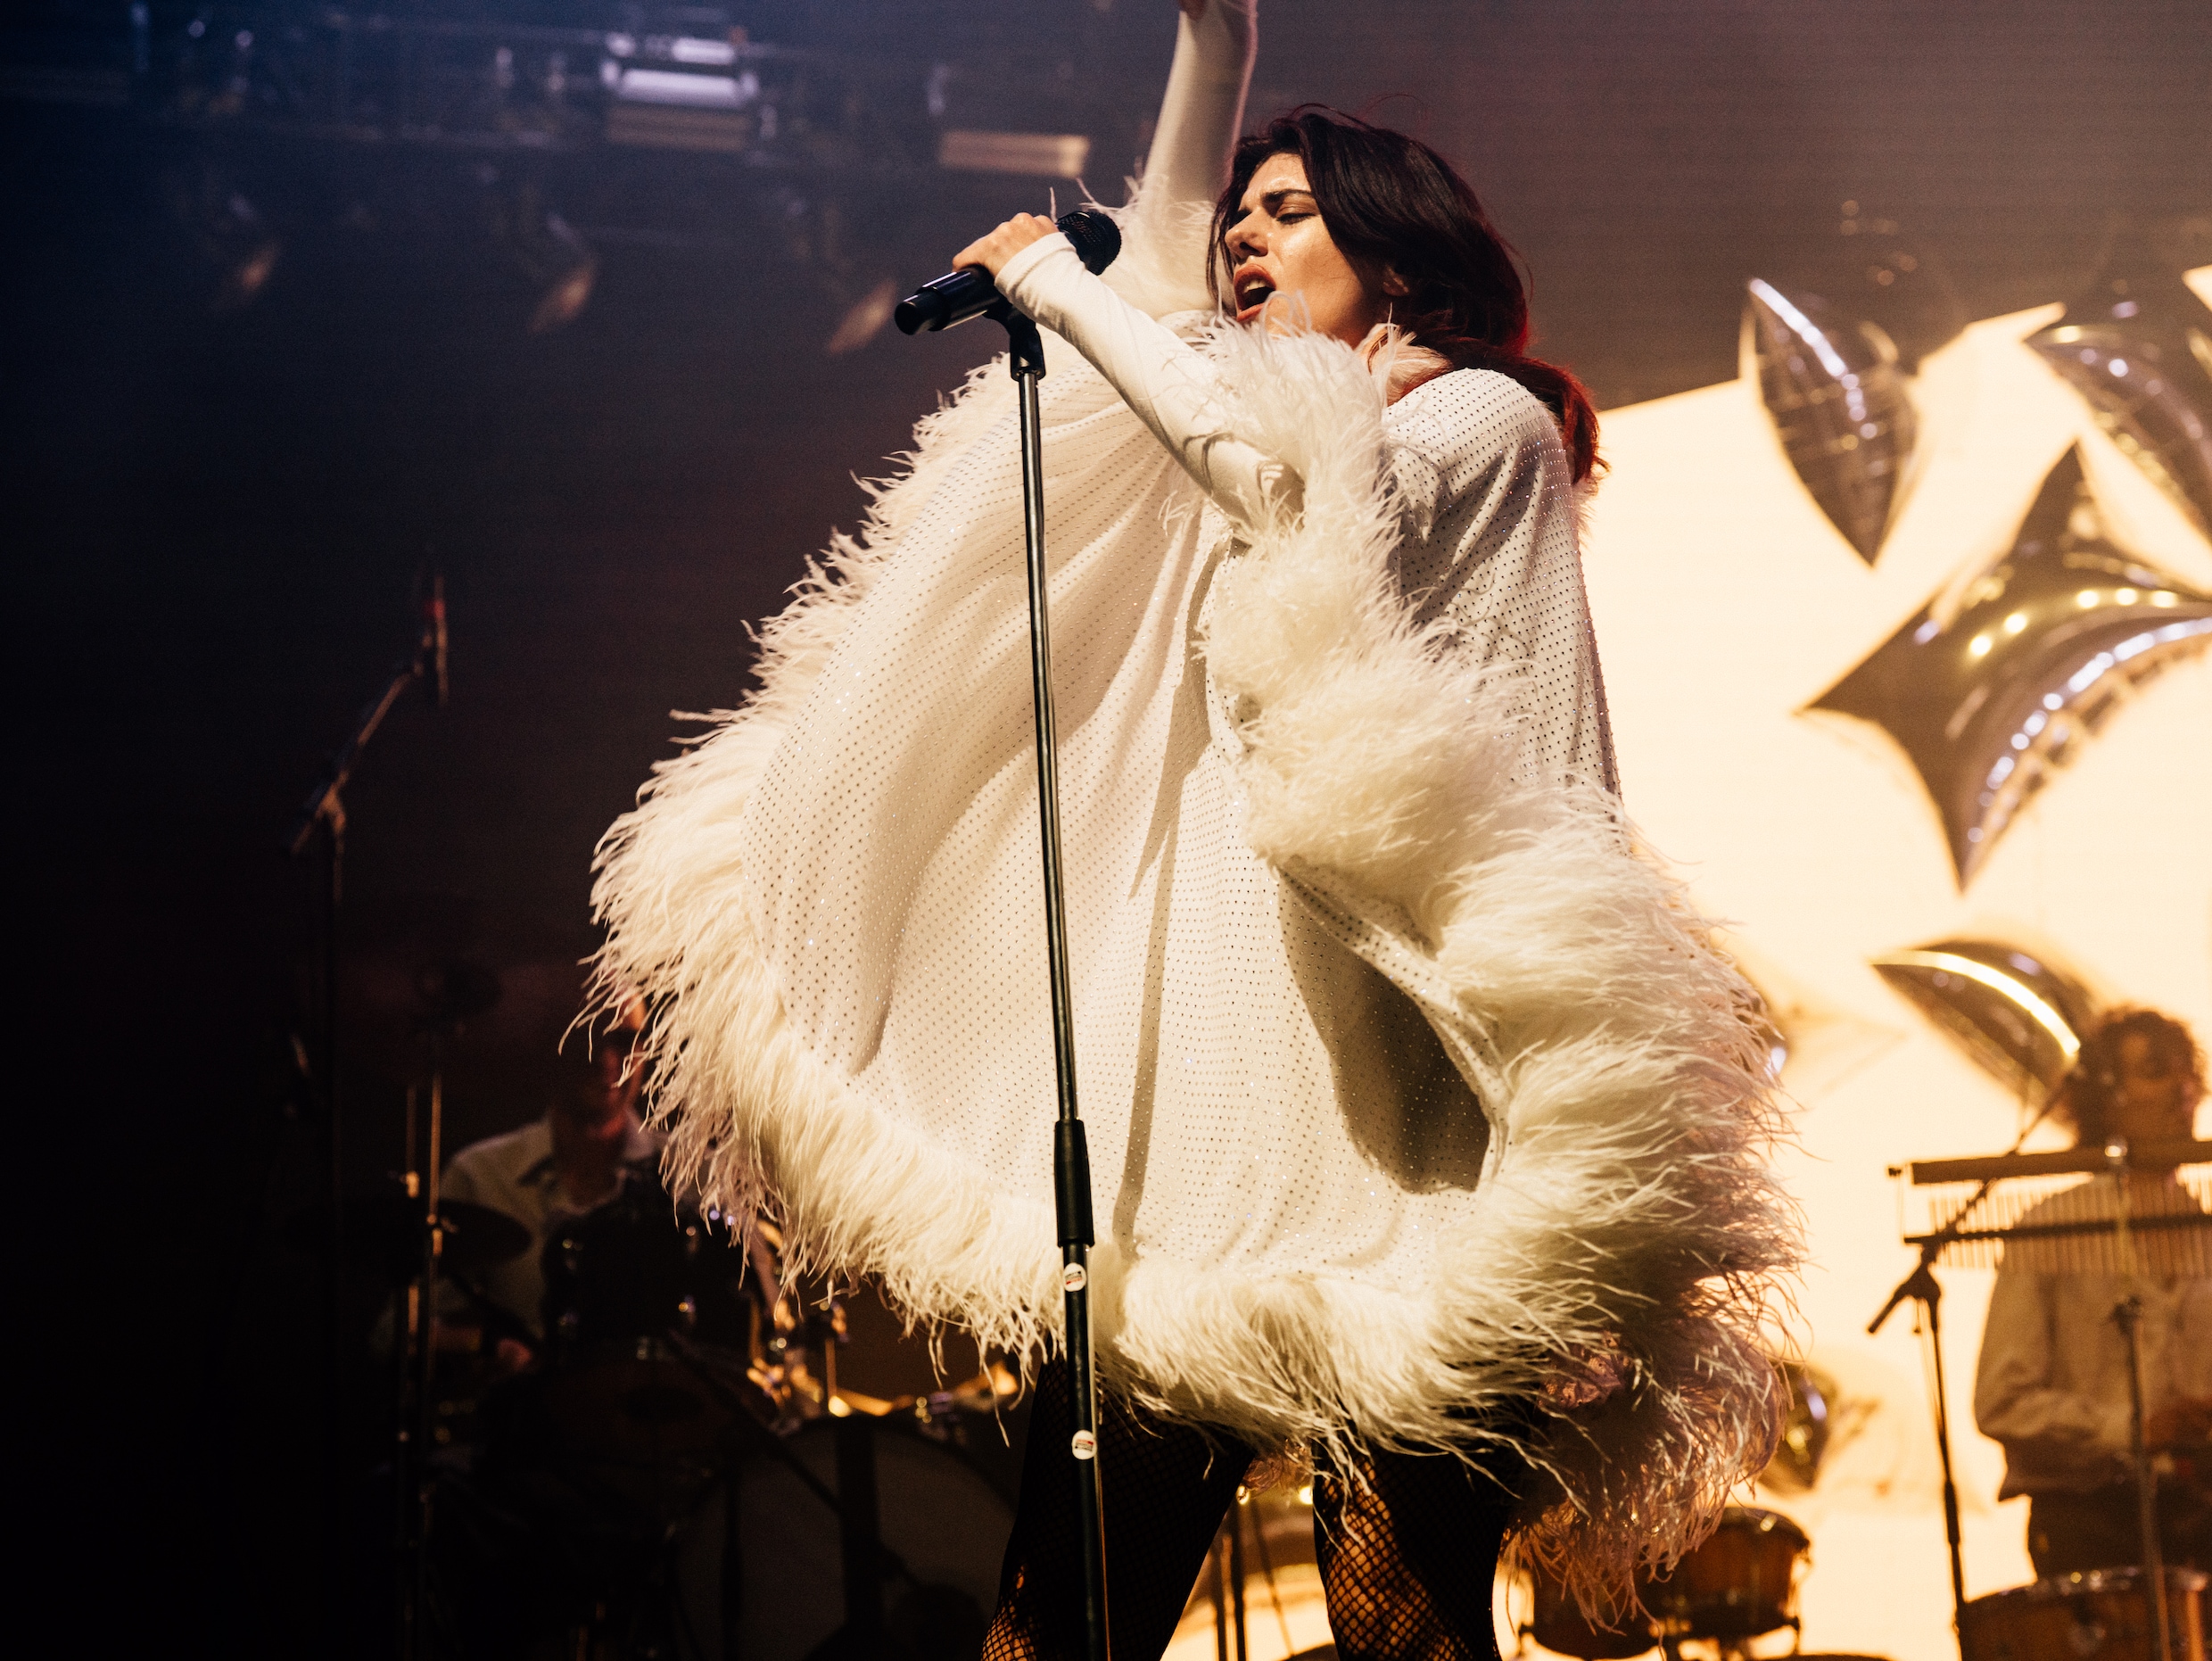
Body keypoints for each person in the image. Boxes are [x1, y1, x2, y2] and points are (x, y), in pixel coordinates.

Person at [593, 3, 1796, 1656]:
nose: (1243, 240)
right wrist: (1204, 34)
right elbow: (1167, 254)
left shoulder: (1480, 420)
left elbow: (1288, 481)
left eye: (1290, 214)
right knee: (1062, 1615)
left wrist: (1062, 288)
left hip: (1415, 1127)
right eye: (1243, 219)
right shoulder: (1240, 420)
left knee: (1406, 1622)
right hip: (1215, 1131)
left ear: (1400, 252)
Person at [1974, 1007, 2211, 1576]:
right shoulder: (2051, 1227)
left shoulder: (2207, 1233)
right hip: (2090, 1524)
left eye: (2187, 1073)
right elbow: (2002, 1400)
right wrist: (2132, 1427)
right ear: (2108, 1098)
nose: (2181, 1088)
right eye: (2155, 1071)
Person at [438, 1004, 662, 1361]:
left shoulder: (697, 1178)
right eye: (585, 1037)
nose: (605, 1060)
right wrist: (487, 1346)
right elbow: (398, 1332)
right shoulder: (479, 1176)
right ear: (549, 1043)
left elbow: (770, 1322)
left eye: (623, 1040)